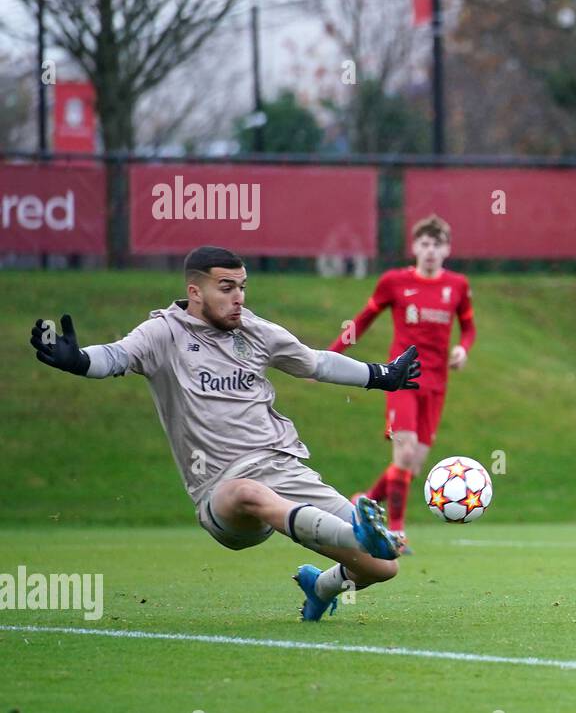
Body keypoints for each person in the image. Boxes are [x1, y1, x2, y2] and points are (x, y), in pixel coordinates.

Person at [28, 245, 417, 621]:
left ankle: (322, 588)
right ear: (195, 292)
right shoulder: (164, 334)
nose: (239, 298)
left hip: (284, 471)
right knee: (248, 492)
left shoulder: (254, 330)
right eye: (227, 288)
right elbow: (116, 356)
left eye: (243, 287)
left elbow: (314, 363)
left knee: (383, 567)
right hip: (223, 490)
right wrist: (78, 361)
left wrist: (381, 376)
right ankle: (358, 536)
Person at [329, 216, 476, 548]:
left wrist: (462, 349)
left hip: (437, 385)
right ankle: (395, 530)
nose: (430, 251)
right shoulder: (394, 282)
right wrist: (327, 357)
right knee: (405, 452)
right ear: (414, 247)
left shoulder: (458, 286)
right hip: (403, 380)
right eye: (424, 244)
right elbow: (363, 321)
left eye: (437, 245)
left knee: (415, 463)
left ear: (447, 249)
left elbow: (468, 328)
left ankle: (364, 501)